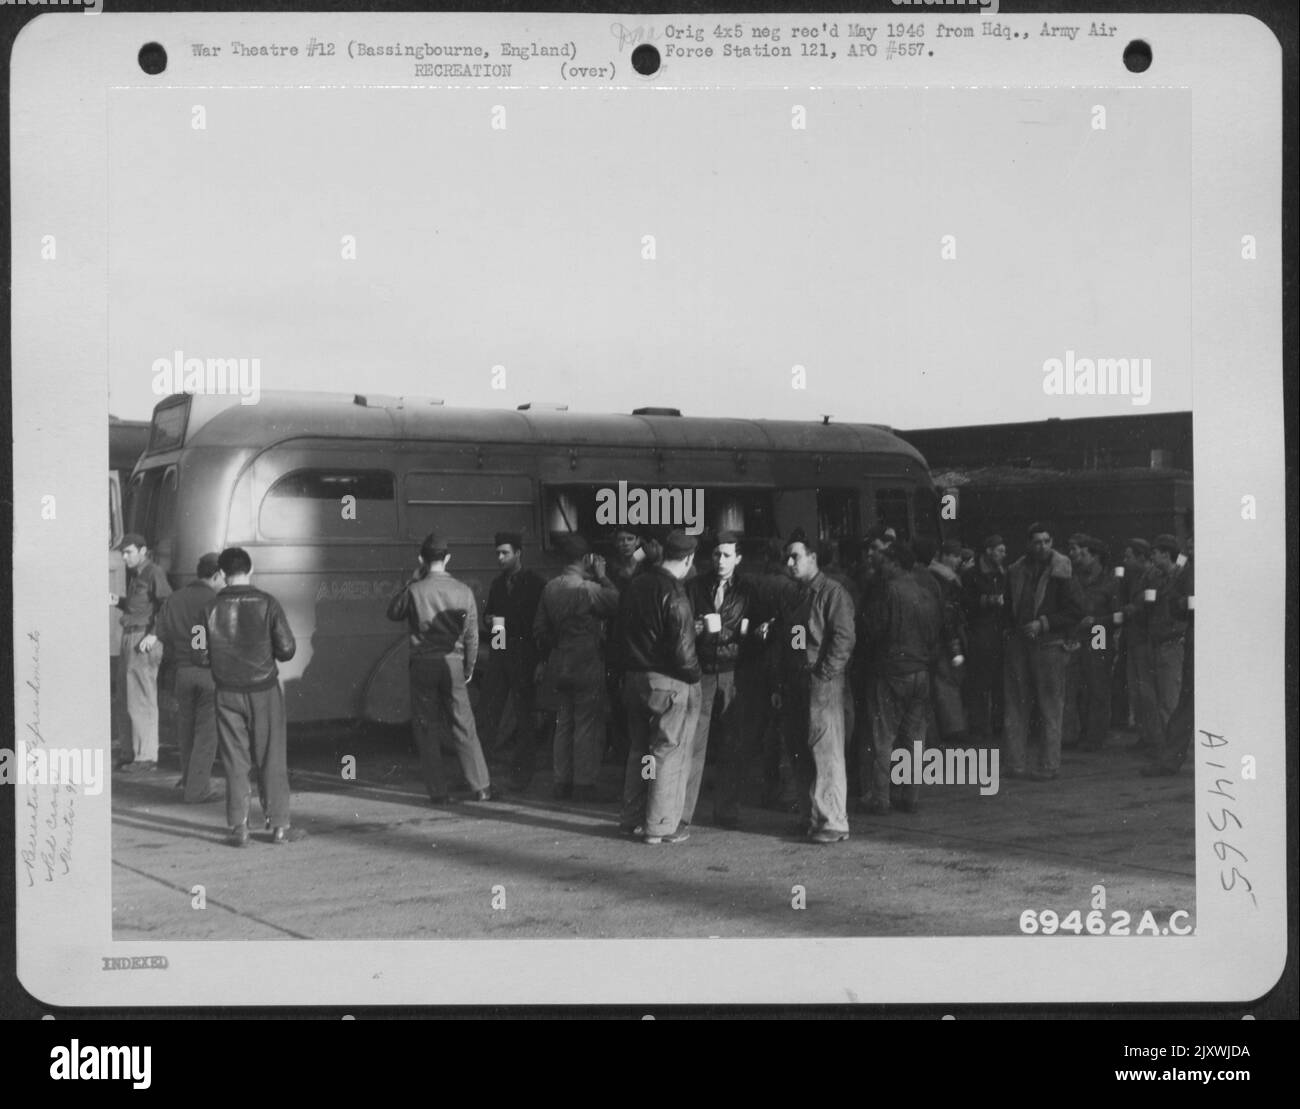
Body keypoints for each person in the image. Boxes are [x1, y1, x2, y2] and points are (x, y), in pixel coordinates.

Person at [387, 533, 499, 805]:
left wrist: (413, 579)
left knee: (426, 727)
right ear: (448, 558)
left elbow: (393, 612)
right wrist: (469, 666)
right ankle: (481, 786)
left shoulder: (415, 590)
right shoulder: (463, 591)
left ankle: (438, 792)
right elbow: (472, 635)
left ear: (421, 560)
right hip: (453, 663)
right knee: (464, 724)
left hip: (422, 664)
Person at [206, 547, 298, 846]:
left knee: (235, 760)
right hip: (264, 690)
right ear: (251, 567)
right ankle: (280, 825)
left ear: (220, 574)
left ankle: (239, 827)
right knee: (271, 756)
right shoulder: (268, 603)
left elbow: (198, 651)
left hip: (226, 692)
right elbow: (287, 649)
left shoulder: (207, 609)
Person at [618, 529, 703, 844]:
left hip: (634, 678)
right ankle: (660, 825)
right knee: (667, 752)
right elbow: (683, 654)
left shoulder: (636, 585)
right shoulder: (675, 593)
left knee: (641, 751)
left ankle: (632, 818)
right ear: (689, 559)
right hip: (667, 681)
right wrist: (694, 676)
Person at [774, 531, 856, 843]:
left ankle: (833, 821)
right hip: (798, 680)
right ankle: (812, 815)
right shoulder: (798, 594)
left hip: (821, 682)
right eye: (787, 558)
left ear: (812, 558)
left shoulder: (833, 593)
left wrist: (824, 675)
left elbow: (843, 637)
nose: (790, 562)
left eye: (795, 556)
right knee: (800, 751)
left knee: (825, 750)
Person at [534, 534, 620, 801]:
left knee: (563, 722)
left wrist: (560, 643)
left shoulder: (550, 588)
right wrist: (603, 574)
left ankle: (561, 782)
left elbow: (539, 628)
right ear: (586, 559)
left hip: (561, 660)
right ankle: (583, 784)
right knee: (586, 724)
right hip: (586, 660)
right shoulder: (588, 588)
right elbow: (616, 601)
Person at [682, 531, 759, 829]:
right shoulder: (694, 587)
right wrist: (697, 629)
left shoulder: (749, 590)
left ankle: (726, 810)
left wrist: (745, 636)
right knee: (694, 743)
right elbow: (682, 624)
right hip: (702, 671)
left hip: (732, 671)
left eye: (727, 555)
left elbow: (758, 628)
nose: (721, 561)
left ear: (738, 558)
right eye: (716, 554)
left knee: (731, 744)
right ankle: (683, 811)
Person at [862, 532, 941, 814]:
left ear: (894, 562)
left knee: (883, 736)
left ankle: (880, 798)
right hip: (921, 671)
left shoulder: (888, 590)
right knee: (914, 738)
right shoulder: (925, 590)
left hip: (892, 670)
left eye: (884, 560)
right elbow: (936, 634)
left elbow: (874, 629)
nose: (879, 564)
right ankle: (910, 796)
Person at [1002, 523, 1084, 781]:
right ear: (1029, 543)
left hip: (1049, 645)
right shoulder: (1015, 570)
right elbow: (1007, 606)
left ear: (1052, 541)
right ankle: (1015, 763)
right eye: (1037, 541)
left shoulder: (1063, 570)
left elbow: (1076, 609)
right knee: (1016, 705)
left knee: (1050, 707)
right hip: (1020, 643)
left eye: (1047, 541)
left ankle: (1049, 765)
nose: (1042, 546)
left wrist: (1044, 623)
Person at [478, 532, 546, 790]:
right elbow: (491, 615)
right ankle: (480, 775)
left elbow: (540, 624)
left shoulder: (535, 584)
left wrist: (540, 660)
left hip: (524, 657)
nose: (500, 558)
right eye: (497, 553)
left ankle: (521, 777)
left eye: (505, 553)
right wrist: (491, 624)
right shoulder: (497, 584)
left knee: (524, 719)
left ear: (519, 553)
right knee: (488, 714)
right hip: (500, 655)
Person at [154, 552, 224, 802]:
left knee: (186, 730)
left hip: (182, 672)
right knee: (206, 733)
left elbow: (162, 632)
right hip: (210, 674)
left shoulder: (175, 598)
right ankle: (197, 790)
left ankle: (188, 780)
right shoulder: (218, 600)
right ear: (217, 575)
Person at [109, 533, 172, 772]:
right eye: (123, 553)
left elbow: (167, 603)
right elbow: (141, 605)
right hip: (132, 636)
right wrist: (118, 601)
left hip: (143, 638)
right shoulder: (138, 575)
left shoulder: (153, 572)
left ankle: (145, 757)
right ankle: (130, 753)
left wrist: (155, 633)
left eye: (129, 552)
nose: (124, 557)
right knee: (126, 697)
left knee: (141, 698)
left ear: (143, 551)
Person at [1132, 535, 1189, 762]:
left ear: (1166, 554)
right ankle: (1162, 745)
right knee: (1154, 698)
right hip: (1154, 642)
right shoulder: (1152, 576)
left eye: (1155, 552)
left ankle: (1172, 749)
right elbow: (1141, 599)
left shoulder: (1182, 576)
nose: (1152, 557)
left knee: (1170, 699)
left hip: (1173, 642)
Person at [1064, 536, 1118, 750]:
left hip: (1099, 633)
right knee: (1079, 686)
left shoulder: (1110, 581)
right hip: (1079, 634)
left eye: (1082, 553)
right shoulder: (1074, 578)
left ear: (1095, 556)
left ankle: (1095, 736)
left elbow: (1118, 614)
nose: (1076, 557)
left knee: (1097, 684)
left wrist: (1098, 621)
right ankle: (1082, 732)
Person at [960, 534, 1007, 743]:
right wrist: (990, 600)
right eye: (1000, 550)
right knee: (979, 682)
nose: (1003, 554)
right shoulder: (971, 575)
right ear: (988, 550)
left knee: (998, 680)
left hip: (998, 632)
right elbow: (966, 603)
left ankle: (996, 724)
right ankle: (979, 727)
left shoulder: (1003, 573)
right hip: (980, 632)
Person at [926, 539, 969, 747]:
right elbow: (948, 615)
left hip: (942, 637)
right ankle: (954, 728)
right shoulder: (944, 579)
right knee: (947, 680)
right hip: (947, 638)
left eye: (959, 555)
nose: (957, 559)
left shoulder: (937, 576)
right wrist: (955, 646)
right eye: (953, 555)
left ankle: (951, 728)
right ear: (942, 556)